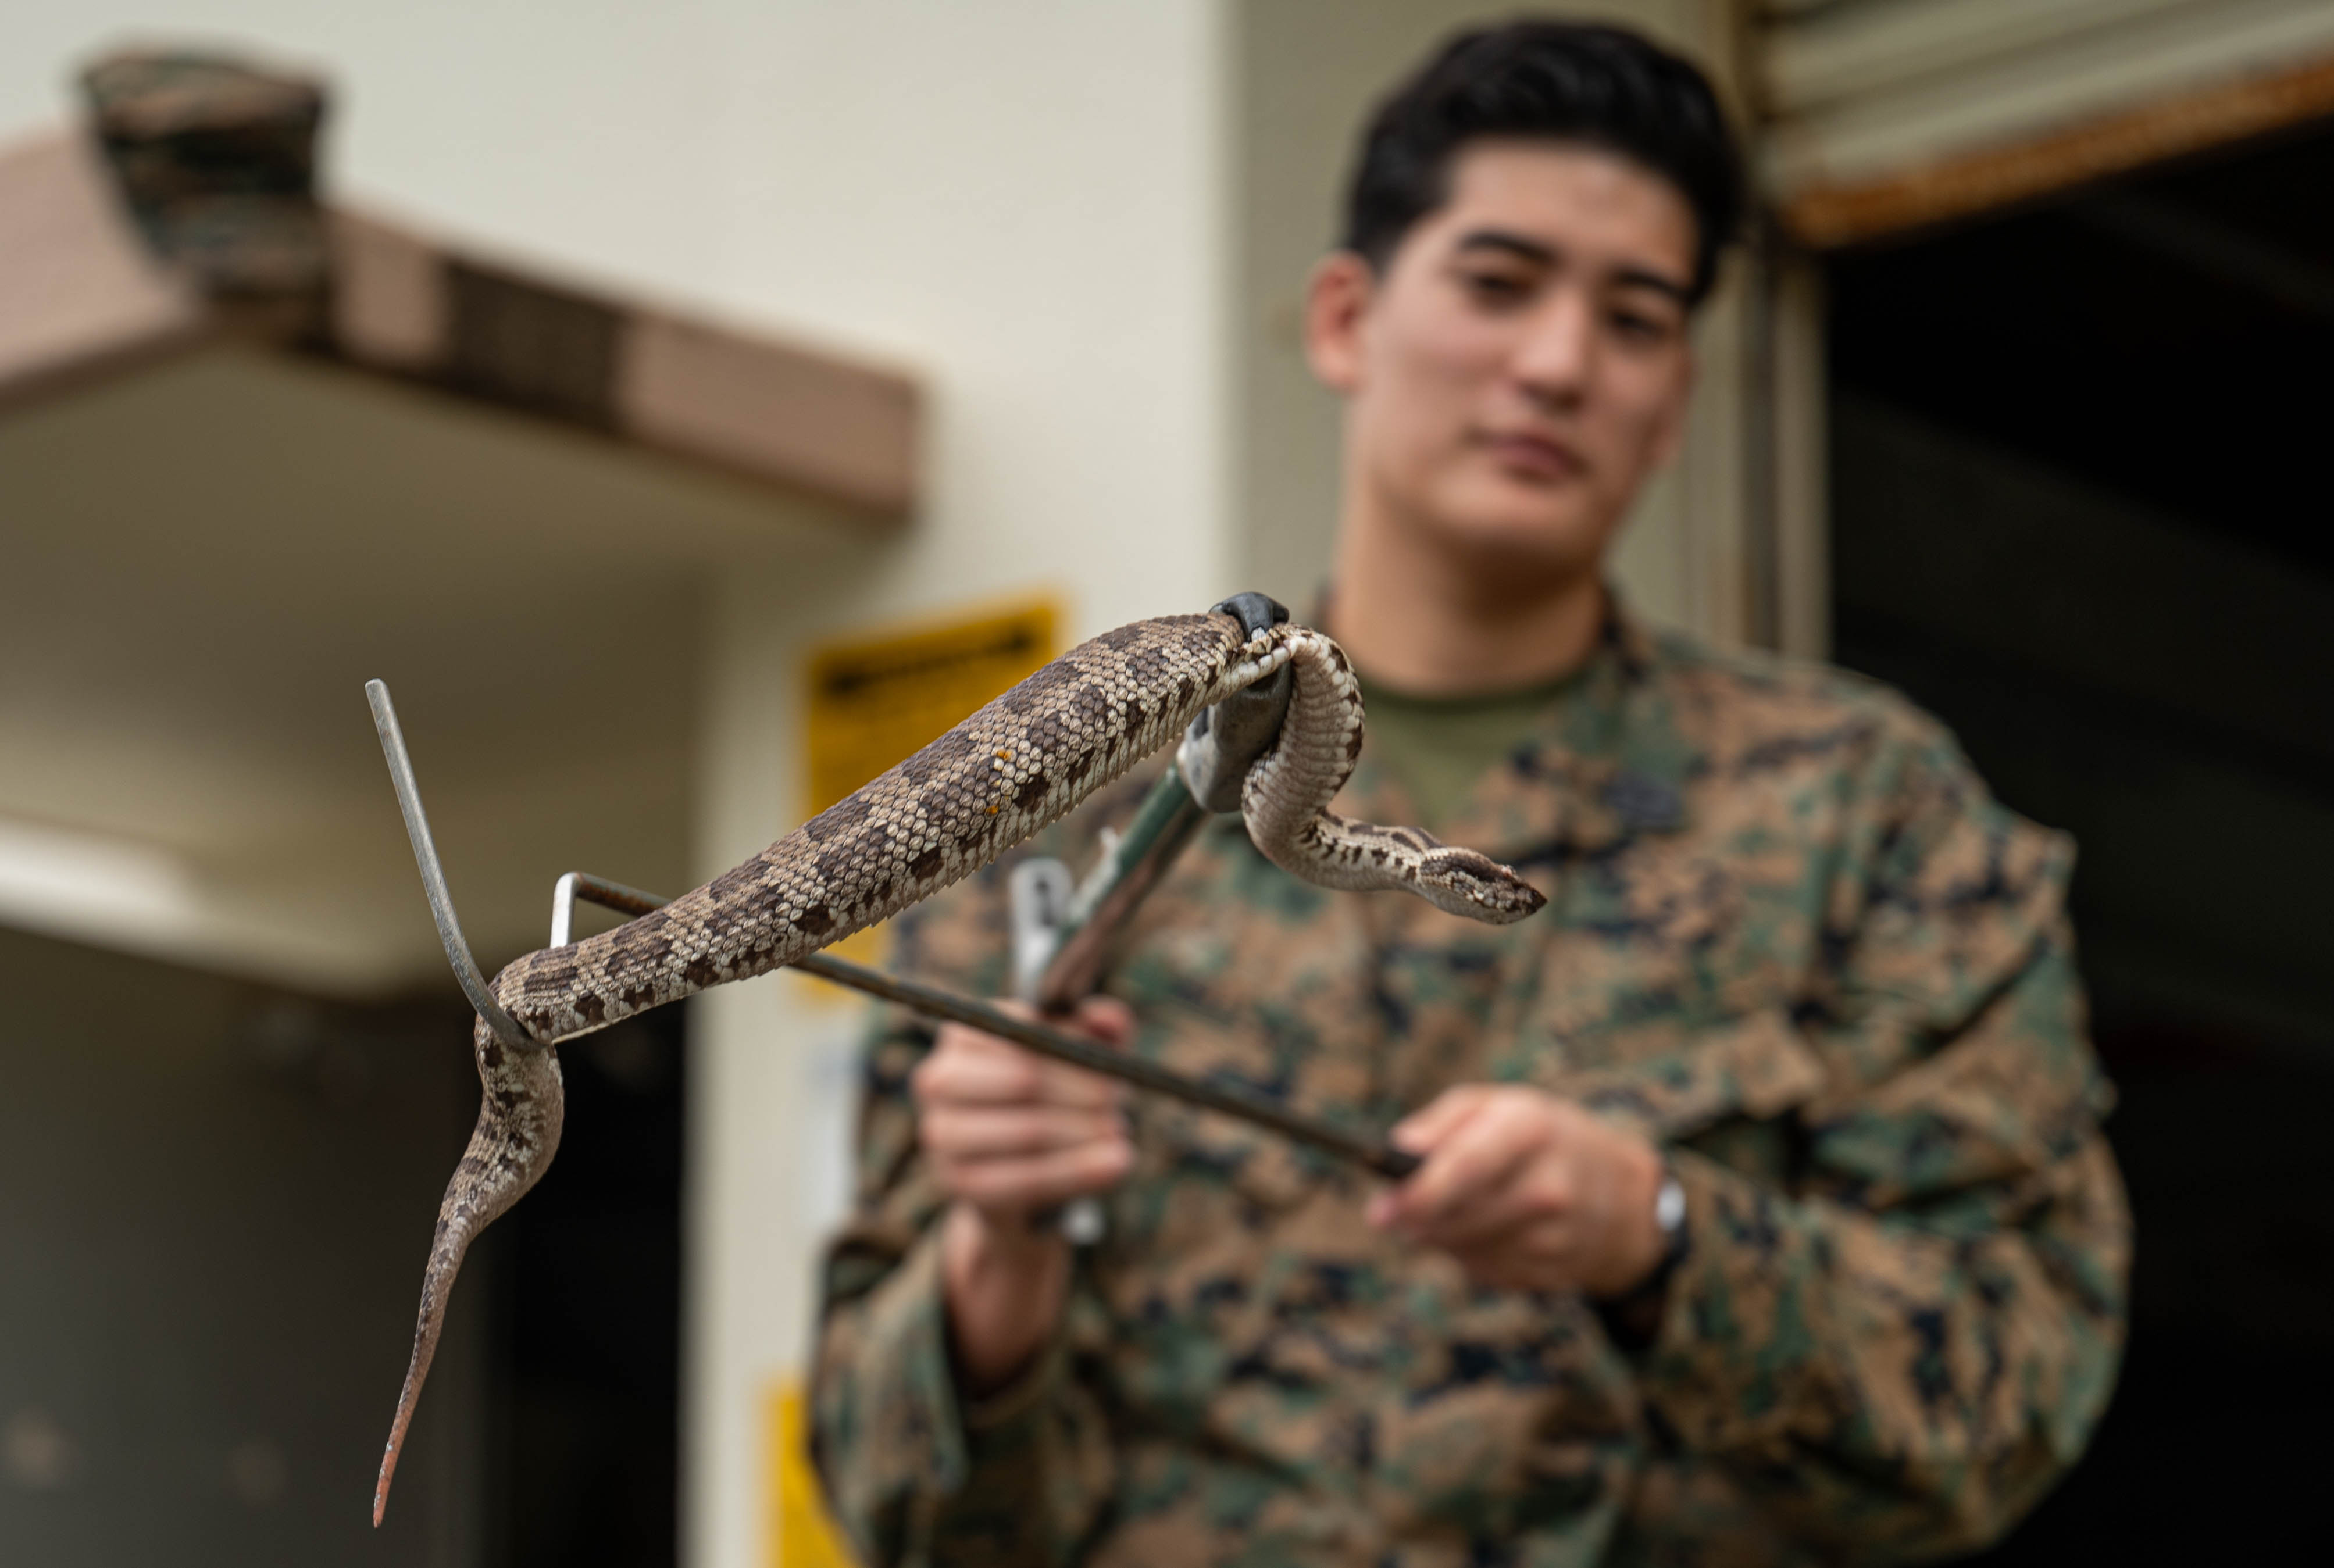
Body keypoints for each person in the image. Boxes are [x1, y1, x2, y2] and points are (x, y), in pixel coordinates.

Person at [808, 19, 2129, 1565]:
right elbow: (894, 1506)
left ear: (1681, 394)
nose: (1559, 363)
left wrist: (1663, 1237)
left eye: (1634, 318)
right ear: (1347, 318)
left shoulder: (1861, 815)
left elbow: (2010, 1394)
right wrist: (998, 1259)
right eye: (1500, 285)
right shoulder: (1061, 825)